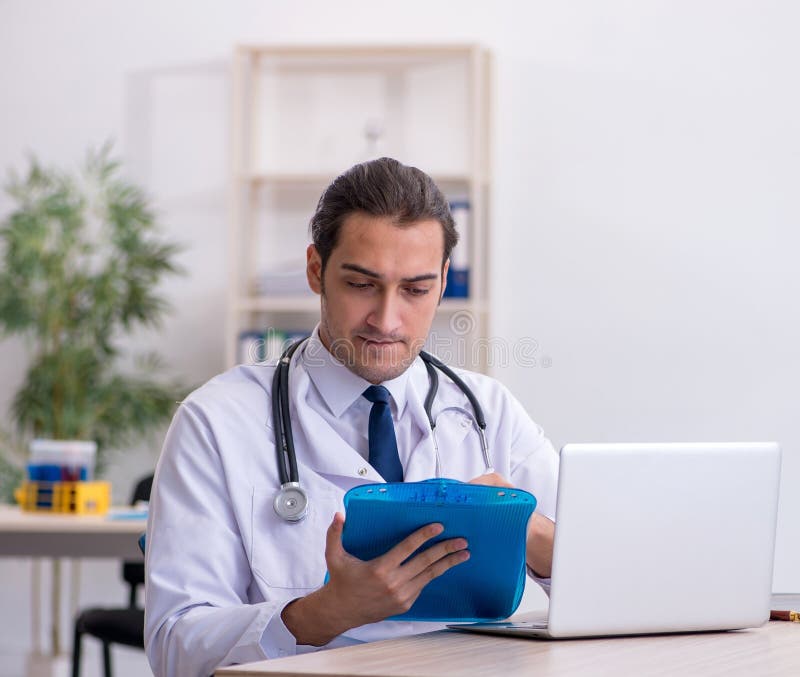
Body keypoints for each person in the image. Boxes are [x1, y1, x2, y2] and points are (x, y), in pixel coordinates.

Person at [144, 157, 559, 676]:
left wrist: (534, 536)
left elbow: (613, 588)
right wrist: (322, 615)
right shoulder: (216, 421)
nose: (387, 321)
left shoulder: (489, 413)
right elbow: (174, 645)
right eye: (363, 285)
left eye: (416, 289)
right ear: (316, 270)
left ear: (443, 281)